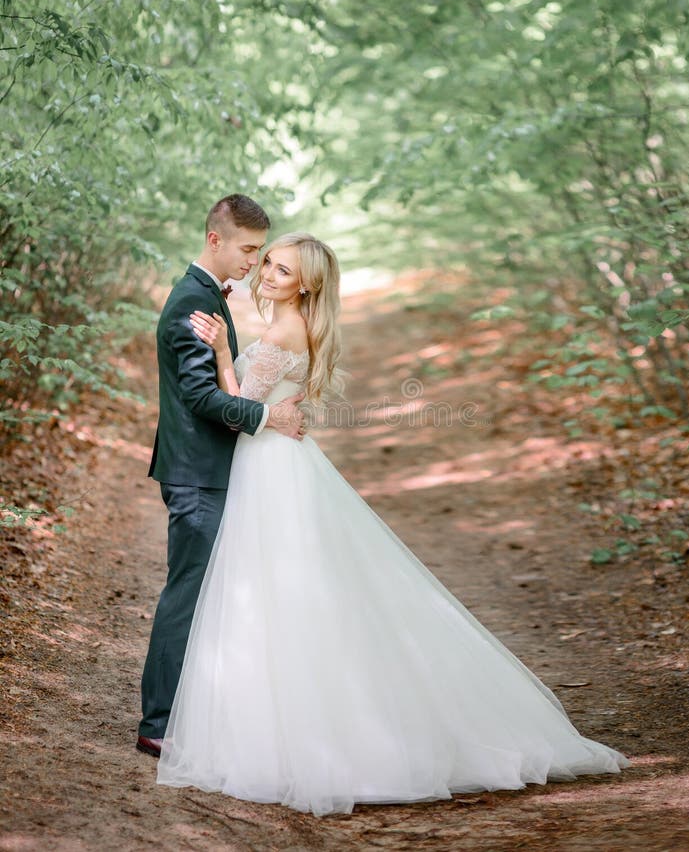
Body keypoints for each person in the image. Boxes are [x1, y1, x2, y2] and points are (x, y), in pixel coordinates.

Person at [155, 232, 630, 815]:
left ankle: (301, 735)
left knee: (277, 594)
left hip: (269, 470)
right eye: (270, 264)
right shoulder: (295, 324)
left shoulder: (281, 331)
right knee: (282, 594)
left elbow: (240, 412)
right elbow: (271, 406)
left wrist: (227, 356)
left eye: (284, 270)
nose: (270, 275)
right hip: (276, 464)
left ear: (307, 284)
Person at [137, 196, 306, 757]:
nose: (254, 263)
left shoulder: (207, 294)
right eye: (249, 250)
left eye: (262, 252)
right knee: (187, 593)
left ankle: (191, 711)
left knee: (206, 591)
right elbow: (203, 397)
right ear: (216, 239)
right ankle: (157, 724)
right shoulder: (192, 302)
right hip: (197, 472)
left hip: (205, 466)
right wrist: (266, 415)